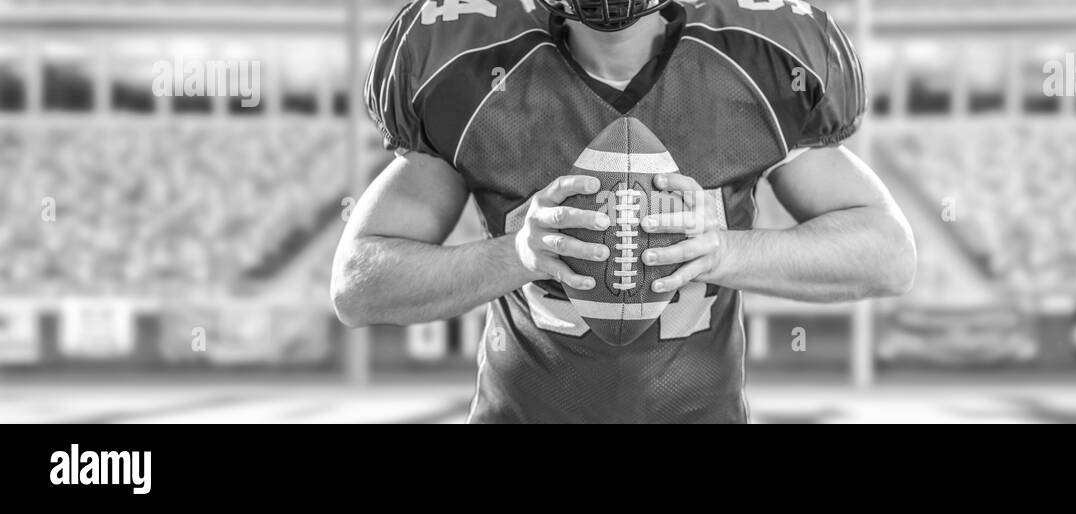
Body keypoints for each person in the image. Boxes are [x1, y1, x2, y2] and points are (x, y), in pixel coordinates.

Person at [332, 0, 916, 423]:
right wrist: (515, 256)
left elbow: (888, 254)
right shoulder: (473, 70)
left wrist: (724, 250)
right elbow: (357, 285)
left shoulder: (754, 62)